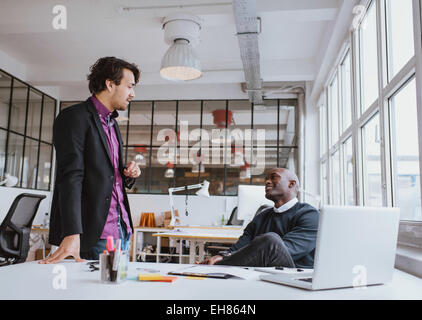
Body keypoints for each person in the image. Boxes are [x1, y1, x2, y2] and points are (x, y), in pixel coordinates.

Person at [40, 57, 141, 264]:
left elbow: (106, 175)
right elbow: (70, 177)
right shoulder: (74, 118)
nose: (133, 94)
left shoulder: (112, 124)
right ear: (110, 84)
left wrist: (127, 173)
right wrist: (72, 233)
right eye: (129, 86)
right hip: (93, 235)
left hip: (122, 230)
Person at [199, 168, 319, 268]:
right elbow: (240, 246)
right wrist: (221, 256)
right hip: (259, 274)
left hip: (292, 276)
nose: (267, 181)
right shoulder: (262, 216)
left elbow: (281, 252)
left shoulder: (309, 215)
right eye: (266, 179)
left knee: (271, 241)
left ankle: (218, 268)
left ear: (291, 184)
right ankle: (213, 268)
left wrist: (224, 261)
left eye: (273, 177)